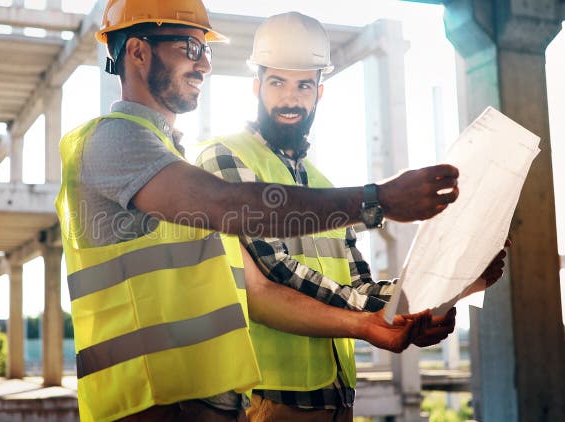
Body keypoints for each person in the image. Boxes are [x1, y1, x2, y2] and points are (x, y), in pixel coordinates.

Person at [54, 1, 463, 421]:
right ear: (138, 52)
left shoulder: (176, 165)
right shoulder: (111, 142)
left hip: (210, 406)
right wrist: (376, 200)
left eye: (206, 51)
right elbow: (233, 207)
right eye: (192, 48)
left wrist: (388, 314)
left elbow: (260, 292)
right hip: (143, 406)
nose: (206, 65)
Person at [196, 12, 508, 422]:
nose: (290, 98)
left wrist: (448, 286)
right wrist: (381, 316)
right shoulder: (224, 158)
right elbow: (275, 272)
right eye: (277, 82)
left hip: (337, 400)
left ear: (319, 92)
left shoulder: (323, 183)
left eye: (304, 84)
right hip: (267, 401)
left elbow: (357, 284)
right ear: (256, 87)